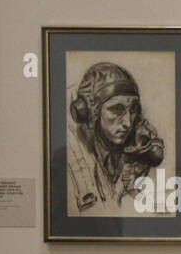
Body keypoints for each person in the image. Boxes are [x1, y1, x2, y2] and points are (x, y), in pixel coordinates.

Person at [67, 62, 164, 215]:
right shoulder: (70, 159)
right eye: (116, 109)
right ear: (91, 113)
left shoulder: (138, 152)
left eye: (132, 110)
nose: (128, 122)